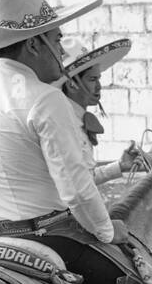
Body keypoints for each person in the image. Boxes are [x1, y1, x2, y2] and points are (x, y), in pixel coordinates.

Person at [0, 0, 127, 257]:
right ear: (34, 45)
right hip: (43, 237)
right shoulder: (46, 99)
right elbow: (76, 189)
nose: (61, 50)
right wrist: (107, 230)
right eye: (56, 40)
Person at [59, 37, 147, 182]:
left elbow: (85, 179)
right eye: (92, 80)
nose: (99, 86)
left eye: (98, 79)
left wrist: (120, 166)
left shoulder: (73, 118)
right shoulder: (64, 124)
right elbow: (77, 186)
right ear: (71, 84)